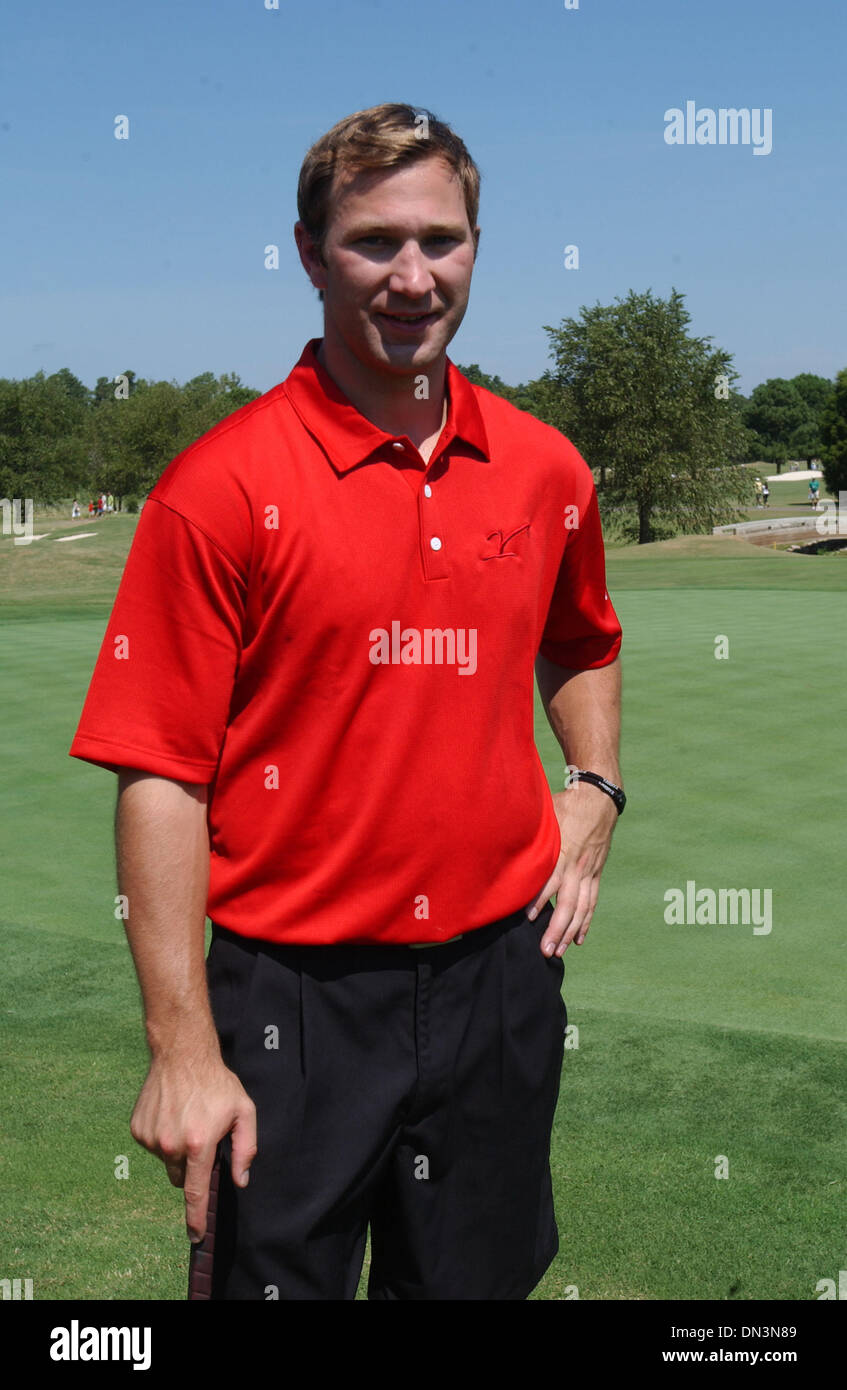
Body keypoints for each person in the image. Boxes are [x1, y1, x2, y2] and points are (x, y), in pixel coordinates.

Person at [69, 102, 624, 1301]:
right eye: (375, 242)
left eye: (443, 239)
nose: (414, 276)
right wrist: (181, 1047)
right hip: (293, 1004)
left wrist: (594, 788)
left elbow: (582, 641)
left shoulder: (544, 465)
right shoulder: (217, 486)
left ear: (478, 243)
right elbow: (161, 771)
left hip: (498, 982)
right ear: (312, 254)